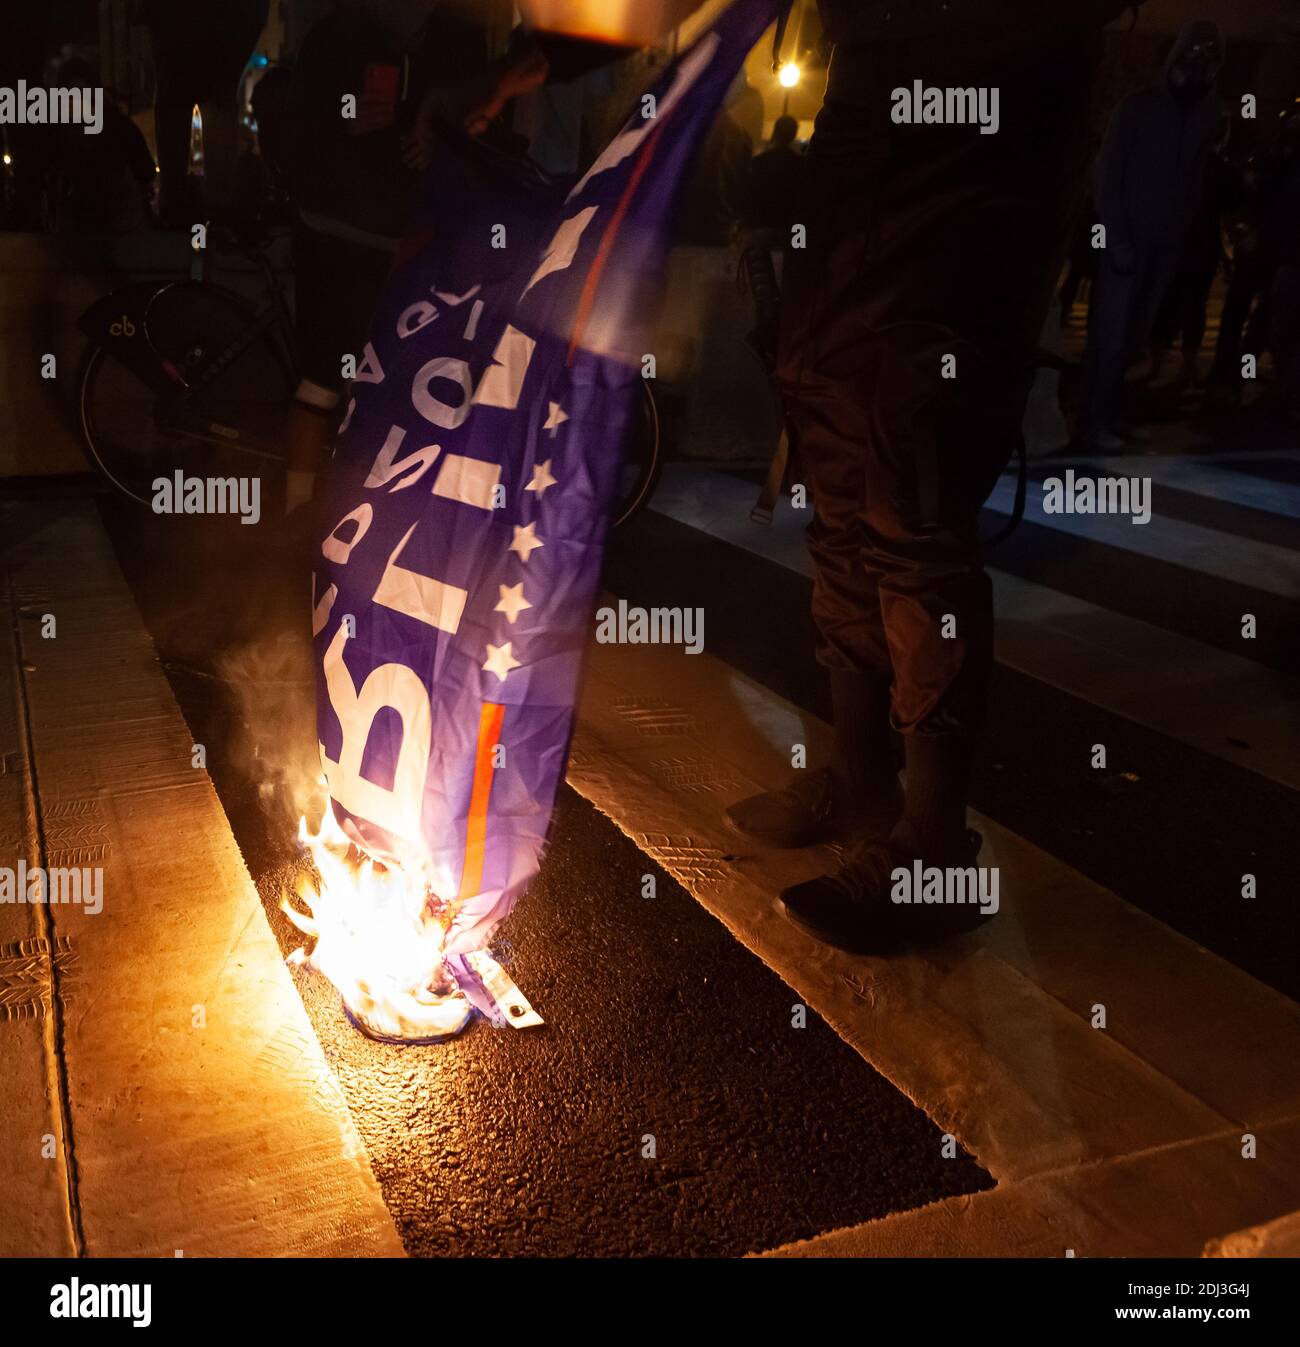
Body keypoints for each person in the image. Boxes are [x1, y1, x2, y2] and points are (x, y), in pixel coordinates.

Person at [725, 0, 1138, 954]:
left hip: (954, 220)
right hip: (861, 213)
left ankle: (932, 848)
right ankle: (861, 775)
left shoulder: (1012, 57)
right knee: (841, 512)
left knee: (912, 522)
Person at [1080, 20, 1225, 450]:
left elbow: (1197, 177)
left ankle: (1111, 415)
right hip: (1127, 240)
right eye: (1195, 53)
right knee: (1108, 335)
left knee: (1134, 338)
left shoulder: (1208, 113)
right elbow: (1107, 176)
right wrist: (1116, 237)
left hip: (1165, 242)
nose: (1201, 64)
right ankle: (1093, 421)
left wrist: (1183, 231)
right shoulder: (1138, 107)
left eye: (1210, 56)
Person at [143, 0, 269, 228]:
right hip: (231, 17)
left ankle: (179, 210)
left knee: (176, 101)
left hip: (182, 16)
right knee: (214, 102)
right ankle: (217, 217)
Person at [745, 113, 806, 234]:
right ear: (793, 134)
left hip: (761, 222)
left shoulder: (759, 162)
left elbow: (750, 193)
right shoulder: (800, 163)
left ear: (775, 132)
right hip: (790, 225)